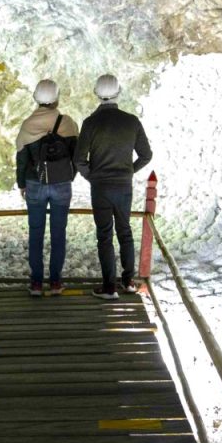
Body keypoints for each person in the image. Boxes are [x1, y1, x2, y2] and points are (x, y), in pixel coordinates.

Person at [74, 74, 152, 300]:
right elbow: (146, 155)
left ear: (96, 94)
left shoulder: (90, 123)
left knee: (105, 236)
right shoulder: (131, 121)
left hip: (100, 187)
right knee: (125, 232)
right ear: (118, 93)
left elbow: (79, 160)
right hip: (123, 185)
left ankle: (109, 287)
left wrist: (93, 177)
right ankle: (128, 282)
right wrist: (128, 171)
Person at [15, 78, 79, 297]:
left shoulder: (27, 125)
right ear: (57, 99)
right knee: (58, 233)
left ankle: (35, 283)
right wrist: (69, 176)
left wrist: (21, 184)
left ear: (36, 98)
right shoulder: (68, 123)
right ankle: (55, 282)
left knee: (36, 233)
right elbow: (77, 156)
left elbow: (22, 159)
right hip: (61, 184)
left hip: (35, 183)